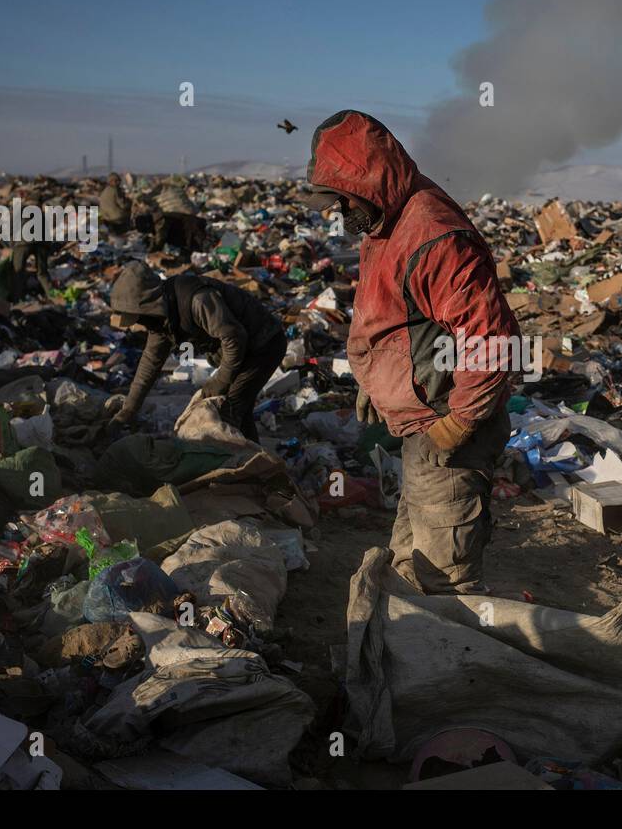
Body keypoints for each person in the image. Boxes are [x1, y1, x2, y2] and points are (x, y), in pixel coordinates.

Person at [303, 109, 521, 595]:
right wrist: (374, 382)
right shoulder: (385, 221)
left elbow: (491, 338)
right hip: (423, 419)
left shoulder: (431, 233)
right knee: (412, 558)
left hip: (447, 421)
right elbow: (392, 313)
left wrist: (460, 422)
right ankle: (412, 657)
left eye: (340, 199)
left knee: (444, 576)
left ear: (365, 182)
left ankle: (453, 667)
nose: (338, 212)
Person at [108, 261, 285, 441]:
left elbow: (234, 338)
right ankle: (253, 460)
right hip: (244, 350)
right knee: (238, 408)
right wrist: (128, 410)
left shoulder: (197, 300)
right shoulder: (162, 320)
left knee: (226, 411)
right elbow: (149, 363)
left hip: (264, 344)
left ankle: (244, 462)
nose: (141, 324)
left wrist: (220, 380)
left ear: (148, 306)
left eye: (140, 317)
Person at [9, 197, 56, 303]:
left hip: (23, 242)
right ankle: (54, 297)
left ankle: (16, 300)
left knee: (18, 272)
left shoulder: (20, 211)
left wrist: (13, 245)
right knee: (43, 273)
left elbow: (11, 228)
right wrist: (48, 249)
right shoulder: (42, 214)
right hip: (42, 243)